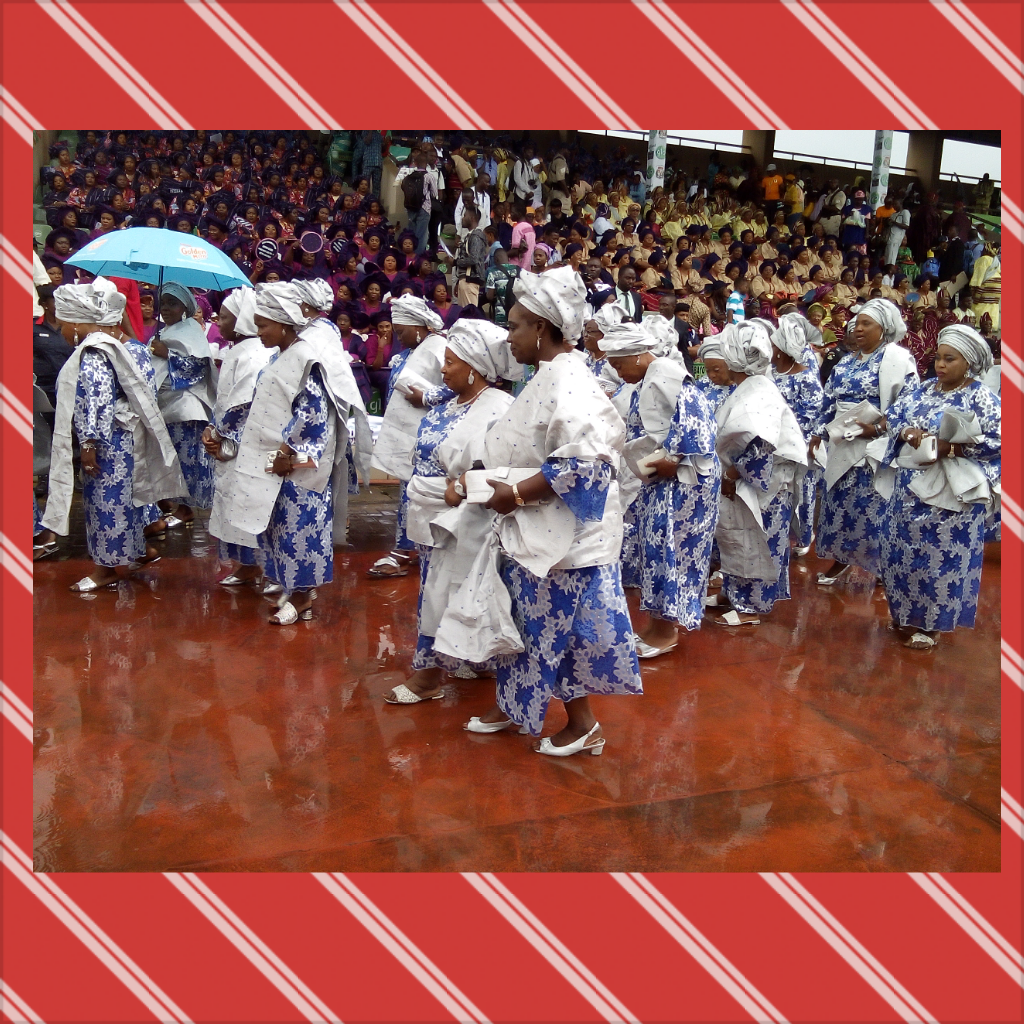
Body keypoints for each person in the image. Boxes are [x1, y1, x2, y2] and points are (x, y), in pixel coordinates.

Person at [466, 264, 642, 755]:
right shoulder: (549, 376)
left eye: (515, 325)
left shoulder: (569, 380)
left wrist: (515, 493)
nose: (509, 336)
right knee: (522, 623)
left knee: (559, 635)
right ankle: (512, 703)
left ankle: (583, 725)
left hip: (565, 540)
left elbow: (584, 468)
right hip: (538, 530)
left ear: (542, 328)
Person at [384, 320, 523, 703]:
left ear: (475, 368)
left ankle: (427, 677)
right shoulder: (450, 401)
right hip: (429, 513)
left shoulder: (499, 409)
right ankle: (467, 658)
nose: (442, 370)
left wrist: (461, 486)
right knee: (439, 589)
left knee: (446, 592)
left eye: (450, 362)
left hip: (464, 519)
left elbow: (501, 465)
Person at [226, 282, 363, 624]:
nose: (258, 332)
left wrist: (289, 453)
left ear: (284, 322)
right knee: (279, 525)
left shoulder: (306, 359)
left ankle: (303, 597)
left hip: (299, 463)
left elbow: (313, 414)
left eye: (263, 325)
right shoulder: (280, 356)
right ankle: (296, 587)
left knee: (299, 527)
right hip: (278, 457)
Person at [41, 278, 185, 590]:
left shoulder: (93, 353)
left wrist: (89, 442)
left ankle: (107, 568)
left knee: (104, 504)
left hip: (107, 444)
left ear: (80, 323)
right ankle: (130, 554)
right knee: (128, 502)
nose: (63, 331)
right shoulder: (130, 347)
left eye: (64, 323)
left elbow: (96, 398)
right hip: (129, 439)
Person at [602, 319, 720, 657]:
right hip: (661, 480)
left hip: (685, 484)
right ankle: (656, 623)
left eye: (619, 364)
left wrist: (677, 460)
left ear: (638, 355)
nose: (618, 371)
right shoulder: (646, 380)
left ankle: (667, 632)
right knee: (654, 551)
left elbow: (700, 424)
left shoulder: (667, 376)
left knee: (672, 552)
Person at [879, 324, 1000, 650]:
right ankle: (905, 613)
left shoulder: (982, 397)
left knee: (938, 558)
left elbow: (1000, 441)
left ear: (970, 362)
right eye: (938, 358)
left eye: (950, 359)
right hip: (909, 487)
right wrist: (907, 433)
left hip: (950, 493)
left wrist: (952, 447)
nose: (941, 365)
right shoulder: (924, 389)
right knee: (900, 552)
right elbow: (893, 417)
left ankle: (932, 624)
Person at [700, 321, 807, 626]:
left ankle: (751, 606)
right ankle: (733, 593)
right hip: (745, 478)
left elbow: (761, 444)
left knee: (759, 539)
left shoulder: (758, 392)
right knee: (735, 538)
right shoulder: (748, 387)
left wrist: (732, 475)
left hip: (765, 482)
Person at [809, 298, 918, 584]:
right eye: (857, 324)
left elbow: (909, 401)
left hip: (874, 444)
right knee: (839, 503)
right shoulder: (845, 362)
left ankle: (881, 565)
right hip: (842, 440)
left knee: (873, 506)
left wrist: (881, 426)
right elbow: (828, 400)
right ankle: (841, 558)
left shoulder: (897, 360)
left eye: (866, 324)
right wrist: (817, 434)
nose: (858, 329)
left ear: (884, 328)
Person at [368, 294, 453, 578]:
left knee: (423, 493)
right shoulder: (408, 352)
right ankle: (406, 546)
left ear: (418, 327)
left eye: (402, 332)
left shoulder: (439, 348)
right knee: (407, 491)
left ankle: (412, 549)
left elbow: (459, 388)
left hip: (434, 434)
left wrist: (427, 396)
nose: (398, 337)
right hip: (411, 433)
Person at [204, 287, 276, 587]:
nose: (218, 323)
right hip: (231, 442)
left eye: (224, 317)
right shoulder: (238, 351)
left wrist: (220, 433)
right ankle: (247, 564)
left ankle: (268, 567)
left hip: (247, 443)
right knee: (235, 502)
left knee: (253, 504)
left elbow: (242, 403)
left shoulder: (255, 354)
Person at [150, 282, 218, 528]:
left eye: (172, 303)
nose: (166, 308)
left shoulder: (190, 330)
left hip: (185, 408)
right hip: (167, 406)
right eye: (164, 302)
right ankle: (169, 503)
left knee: (186, 460)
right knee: (169, 458)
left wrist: (166, 355)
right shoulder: (167, 331)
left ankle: (185, 509)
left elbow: (198, 368)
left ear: (185, 307)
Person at [771, 314, 825, 557]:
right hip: (771, 443)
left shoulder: (805, 378)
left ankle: (804, 536)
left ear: (781, 350)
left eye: (773, 345)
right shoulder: (767, 374)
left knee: (802, 491)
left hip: (797, 445)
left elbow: (813, 415)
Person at [454, 206, 488, 308]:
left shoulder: (476, 236)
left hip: (469, 281)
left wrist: (456, 262)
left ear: (472, 218)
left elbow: (474, 259)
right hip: (465, 280)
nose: (462, 218)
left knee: (469, 317)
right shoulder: (471, 236)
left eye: (465, 216)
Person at [969, 240, 1000, 331]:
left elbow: (978, 276)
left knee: (980, 306)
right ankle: (992, 326)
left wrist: (974, 290)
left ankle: (980, 324)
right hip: (996, 289)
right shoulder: (996, 261)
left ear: (986, 249)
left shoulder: (983, 259)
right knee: (992, 306)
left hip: (986, 288)